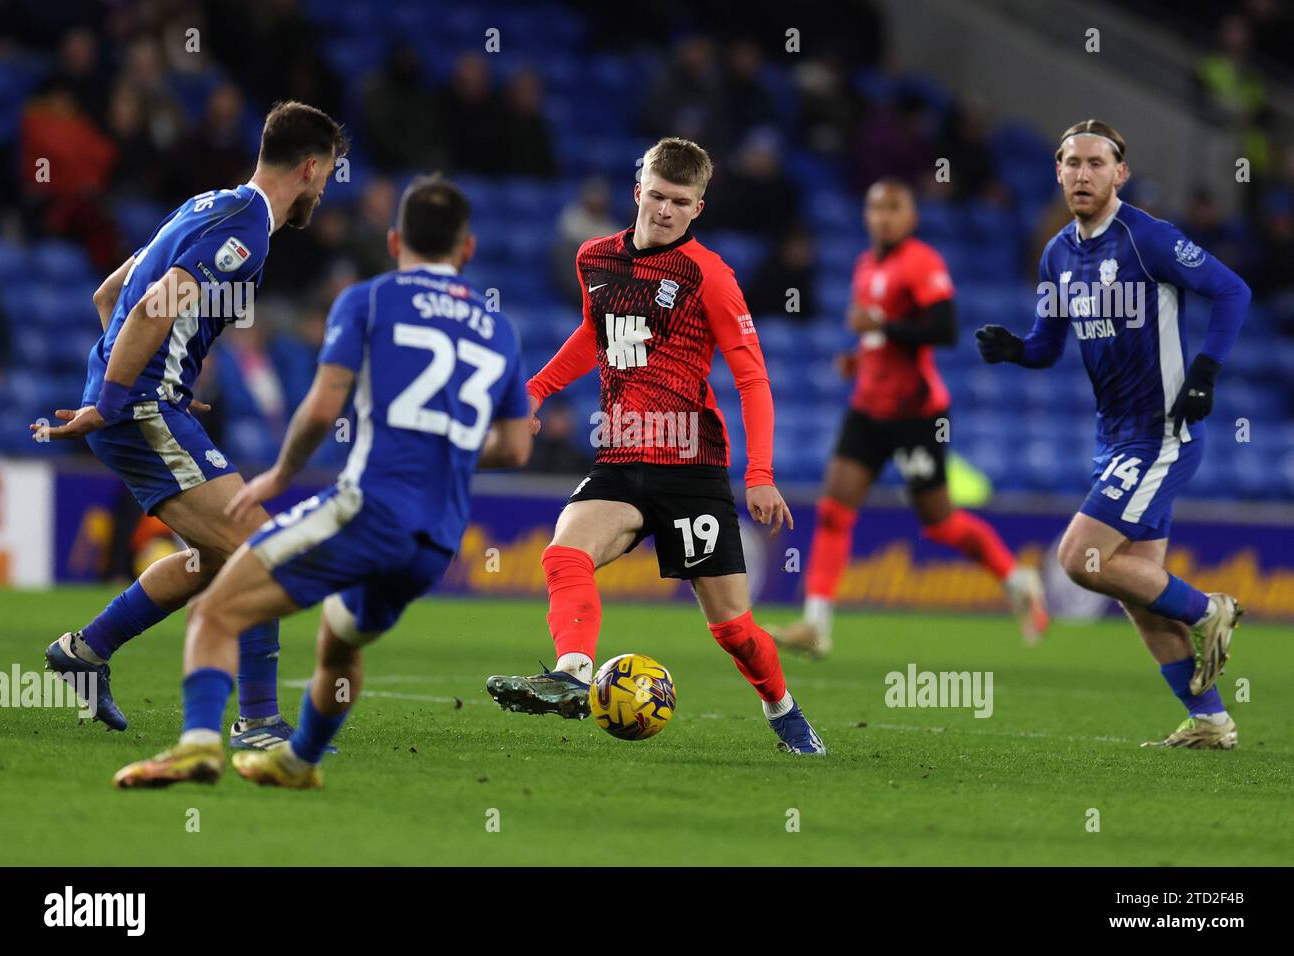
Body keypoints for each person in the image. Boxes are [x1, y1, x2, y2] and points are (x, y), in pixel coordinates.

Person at [113, 176, 531, 789]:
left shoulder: (368, 300)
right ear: (467, 251)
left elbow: (318, 408)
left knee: (219, 611)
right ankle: (299, 762)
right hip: (437, 536)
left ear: (394, 241)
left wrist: (281, 474)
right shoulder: (500, 330)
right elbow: (517, 446)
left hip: (368, 510)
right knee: (338, 643)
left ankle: (198, 745)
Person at [485, 137, 825, 755]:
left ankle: (785, 713)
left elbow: (752, 377)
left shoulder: (710, 276)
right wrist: (535, 391)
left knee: (732, 630)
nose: (666, 210)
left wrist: (761, 473)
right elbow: (595, 333)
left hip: (690, 465)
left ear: (698, 208)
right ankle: (572, 675)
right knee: (563, 555)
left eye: (681, 202)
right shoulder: (594, 259)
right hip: (620, 455)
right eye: (658, 196)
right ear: (638, 190)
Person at [33, 100, 346, 751]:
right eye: (328, 173)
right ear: (312, 167)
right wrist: (121, 396)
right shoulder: (249, 230)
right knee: (262, 548)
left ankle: (87, 651)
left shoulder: (207, 204)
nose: (324, 188)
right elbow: (151, 302)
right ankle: (259, 724)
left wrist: (142, 382)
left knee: (212, 559)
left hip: (152, 400)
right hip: (142, 406)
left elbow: (109, 295)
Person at [975, 120, 1249, 749]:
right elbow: (1048, 348)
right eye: (1071, 163)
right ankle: (1209, 717)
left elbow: (1232, 290)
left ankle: (1211, 610)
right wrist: (1014, 349)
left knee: (1079, 559)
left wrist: (1205, 371)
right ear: (1058, 172)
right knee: (1135, 591)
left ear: (1119, 173)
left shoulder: (1147, 239)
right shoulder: (1057, 253)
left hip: (1162, 433)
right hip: (1115, 438)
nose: (1082, 174)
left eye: (1096, 163)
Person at [769, 179, 1048, 657]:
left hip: (917, 413)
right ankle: (816, 624)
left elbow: (943, 329)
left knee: (939, 523)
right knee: (834, 508)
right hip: (868, 407)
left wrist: (882, 327)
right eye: (875, 207)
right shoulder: (864, 265)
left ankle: (1016, 577)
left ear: (911, 217)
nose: (882, 216)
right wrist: (860, 357)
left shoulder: (922, 262)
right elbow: (883, 338)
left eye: (893, 208)